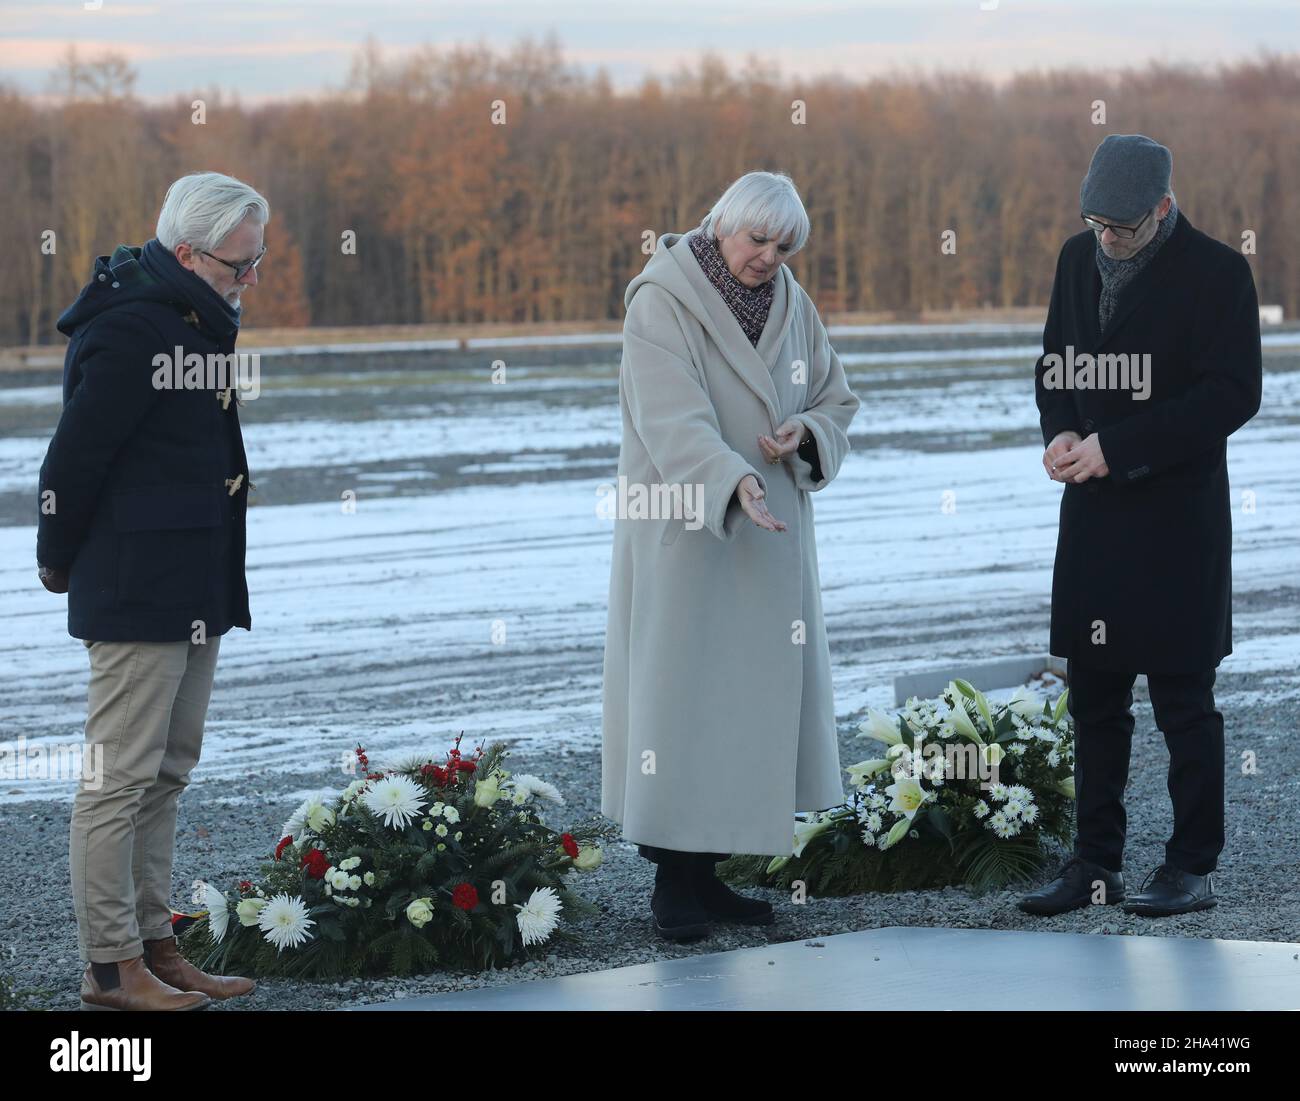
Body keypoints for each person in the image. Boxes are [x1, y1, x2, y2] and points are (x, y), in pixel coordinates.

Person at [601, 170, 861, 940]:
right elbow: (668, 416)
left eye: (784, 247)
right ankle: (673, 887)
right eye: (758, 240)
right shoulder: (660, 302)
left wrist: (804, 434)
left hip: (770, 532)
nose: (769, 258)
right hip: (688, 526)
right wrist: (732, 477)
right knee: (683, 699)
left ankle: (711, 876)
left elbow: (835, 397)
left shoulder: (793, 302)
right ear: (721, 225)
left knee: (746, 701)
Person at [36, 171, 269, 1009]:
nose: (248, 280)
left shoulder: (197, 322)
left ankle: (154, 944)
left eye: (256, 263)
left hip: (194, 583)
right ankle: (109, 965)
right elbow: (73, 461)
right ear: (184, 253)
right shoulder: (133, 330)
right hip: (136, 589)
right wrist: (57, 557)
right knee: (116, 780)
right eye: (236, 265)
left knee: (168, 771)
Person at [1020, 135, 1262, 918]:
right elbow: (1055, 360)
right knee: (1093, 699)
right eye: (1095, 222)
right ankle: (1095, 863)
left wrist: (1116, 448)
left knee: (1184, 703)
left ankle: (1190, 866)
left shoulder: (1221, 273)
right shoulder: (1072, 257)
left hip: (1177, 525)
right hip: (1092, 522)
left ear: (1162, 207)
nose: (1105, 238)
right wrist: (1059, 430)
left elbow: (1232, 395)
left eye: (1120, 226)